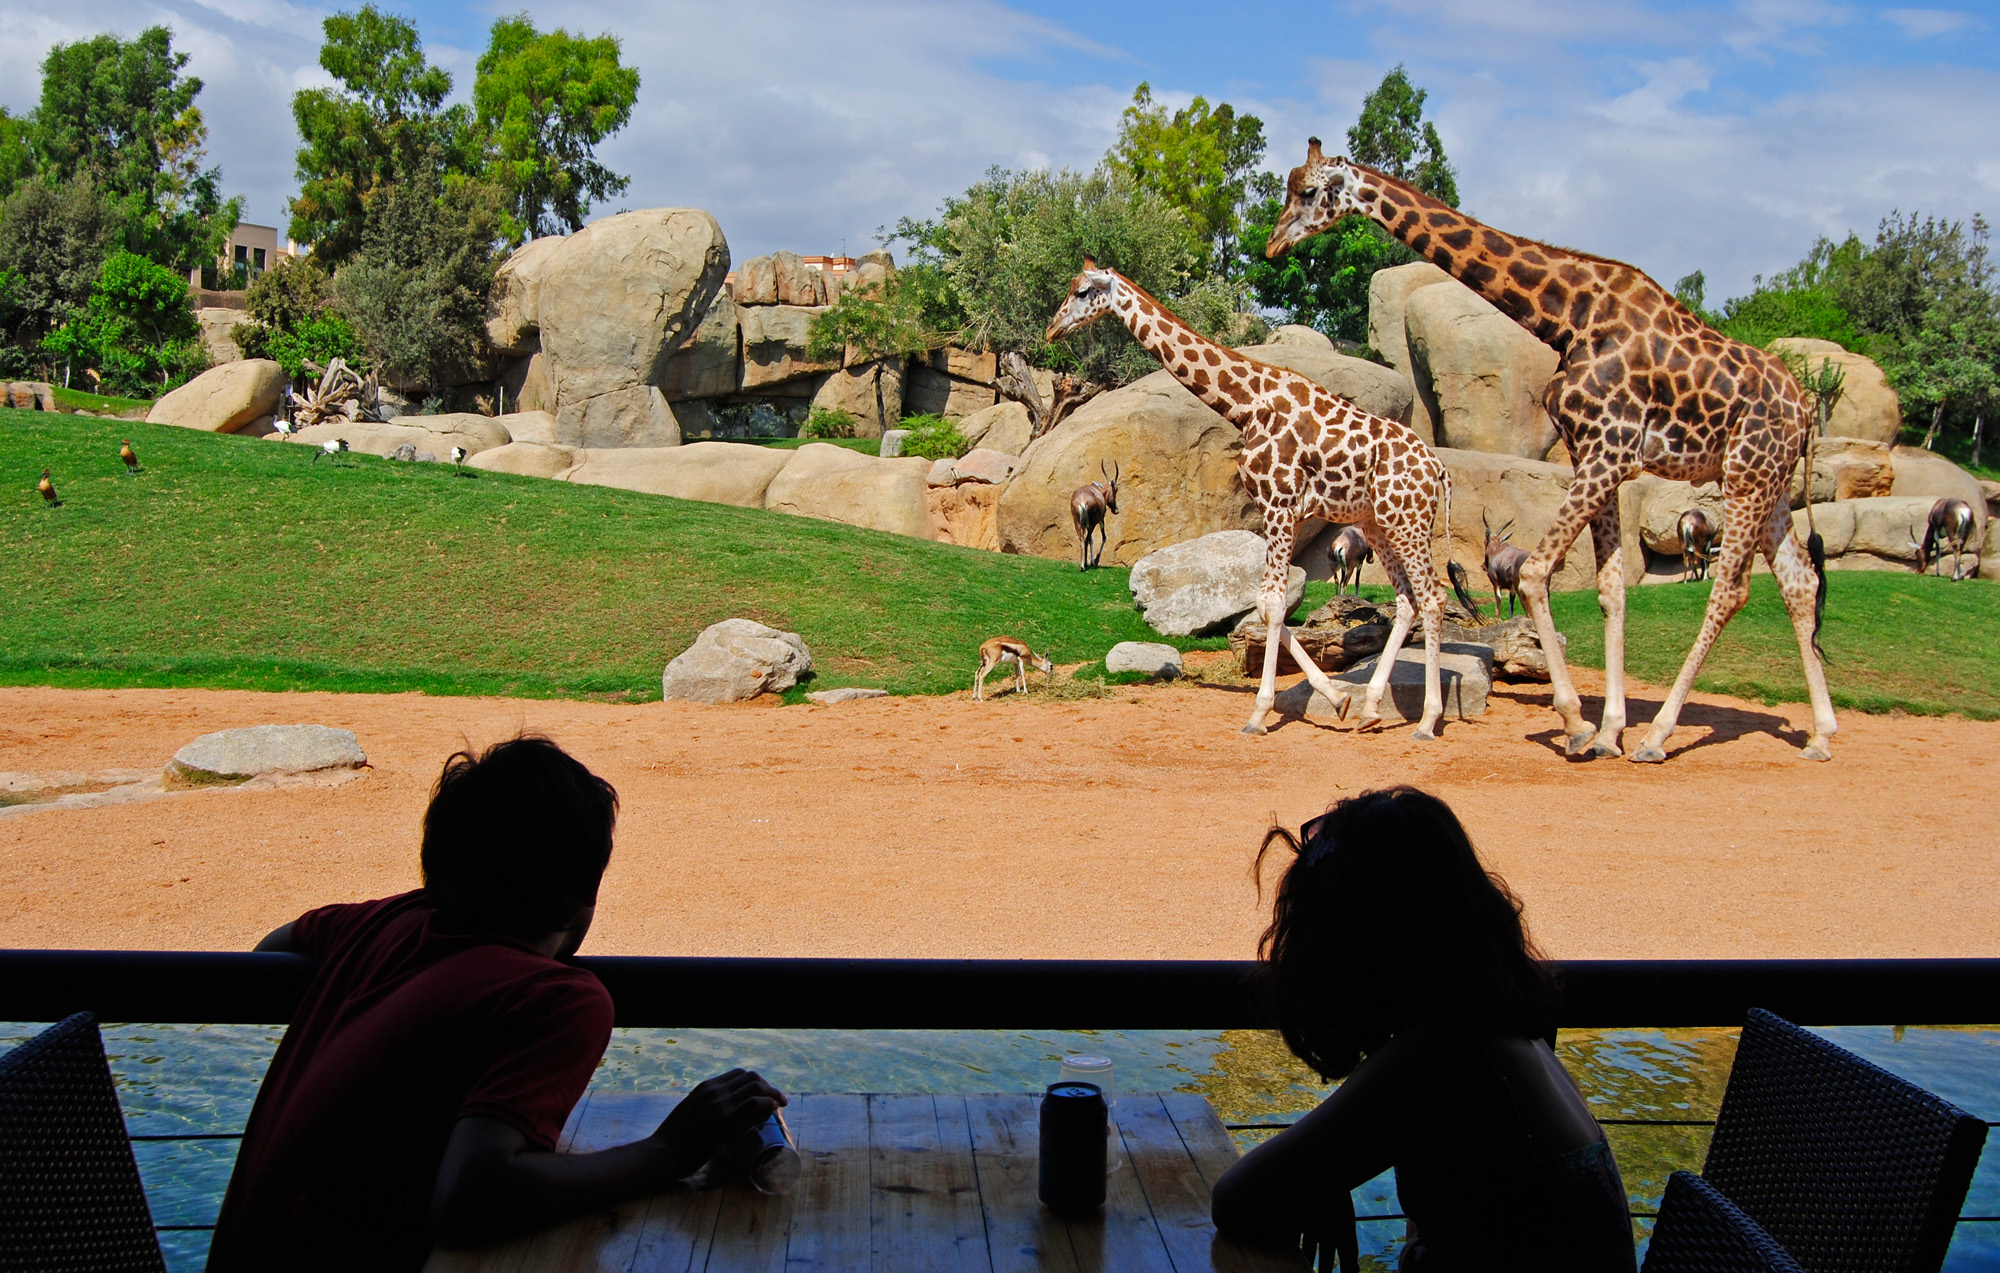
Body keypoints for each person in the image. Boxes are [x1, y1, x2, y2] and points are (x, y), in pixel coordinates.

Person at [207, 736, 785, 1272]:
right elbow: (471, 1196)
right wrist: (667, 1152)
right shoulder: (555, 998)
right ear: (587, 887)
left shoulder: (380, 923)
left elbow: (270, 951)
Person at [1210, 787, 1636, 1272]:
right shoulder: (1511, 1038)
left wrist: (1319, 1173)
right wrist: (1325, 1174)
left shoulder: (1438, 1056)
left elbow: (1236, 1200)